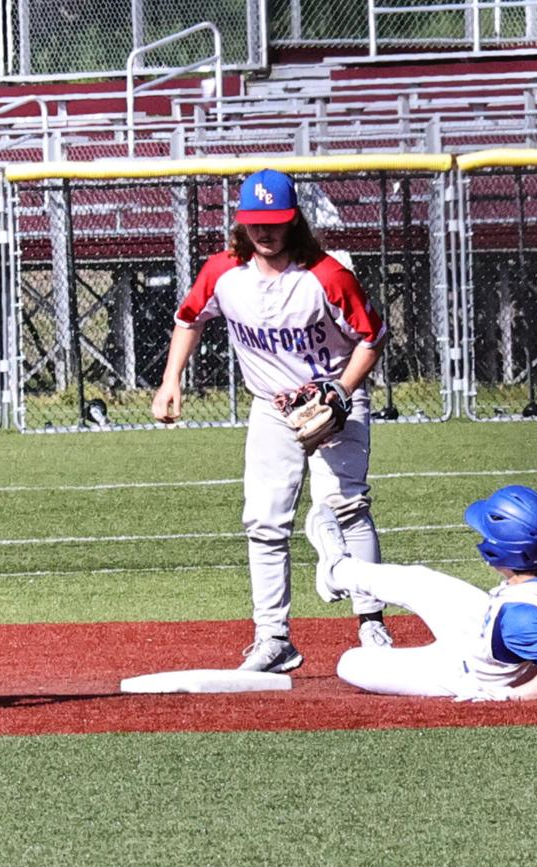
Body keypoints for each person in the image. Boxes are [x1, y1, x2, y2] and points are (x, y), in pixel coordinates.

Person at [151, 168, 394, 674]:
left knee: (346, 508)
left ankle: (371, 621)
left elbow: (373, 336)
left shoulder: (326, 276)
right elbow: (188, 318)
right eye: (256, 222)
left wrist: (341, 393)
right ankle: (273, 637)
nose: (266, 231)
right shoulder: (222, 272)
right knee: (263, 521)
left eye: (276, 222)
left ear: (294, 221)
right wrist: (171, 379)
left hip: (333, 403)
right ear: (241, 223)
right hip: (271, 407)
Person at [310, 453, 537, 701]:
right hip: (486, 629)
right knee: (420, 581)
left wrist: (511, 697)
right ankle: (338, 570)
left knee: (351, 663)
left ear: (498, 552)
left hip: (465, 671)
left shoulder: (519, 615)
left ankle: (341, 576)